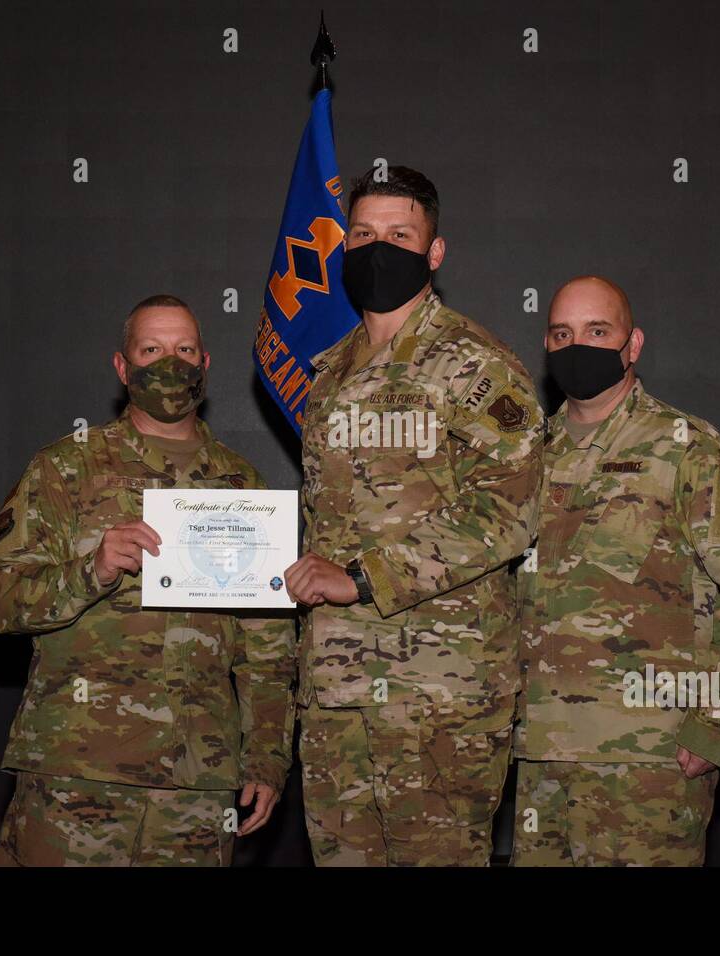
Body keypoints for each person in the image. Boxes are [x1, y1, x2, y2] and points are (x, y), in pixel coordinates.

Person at [0, 294, 296, 866]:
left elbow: (267, 649)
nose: (169, 364)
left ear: (205, 365)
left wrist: (268, 760)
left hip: (198, 783)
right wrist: (91, 571)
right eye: (151, 350)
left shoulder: (243, 486)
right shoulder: (67, 468)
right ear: (123, 368)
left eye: (184, 350)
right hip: (78, 769)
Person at [284, 166, 545, 866]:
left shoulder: (474, 365)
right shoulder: (329, 371)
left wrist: (363, 578)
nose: (379, 248)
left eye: (400, 235)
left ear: (434, 253)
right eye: (364, 233)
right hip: (338, 687)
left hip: (438, 692)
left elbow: (509, 510)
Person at [512, 276, 720, 866]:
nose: (577, 345)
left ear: (632, 344)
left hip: (647, 758)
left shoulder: (687, 447)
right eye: (562, 333)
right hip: (539, 752)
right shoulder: (528, 455)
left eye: (596, 331)